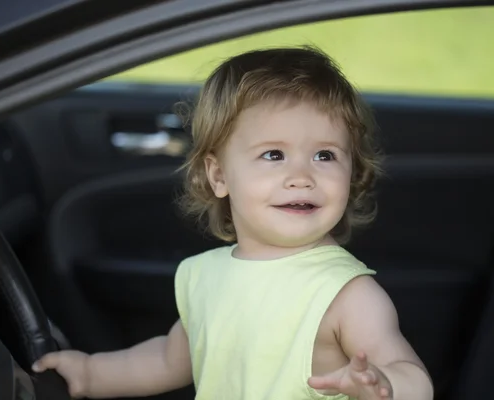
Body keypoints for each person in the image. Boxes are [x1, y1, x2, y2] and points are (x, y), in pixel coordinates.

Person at [32, 46, 433, 400]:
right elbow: (168, 359)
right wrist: (89, 373)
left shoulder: (348, 294)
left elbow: (412, 375)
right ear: (219, 176)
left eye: (325, 155)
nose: (301, 175)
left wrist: (384, 385)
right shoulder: (205, 275)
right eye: (274, 155)